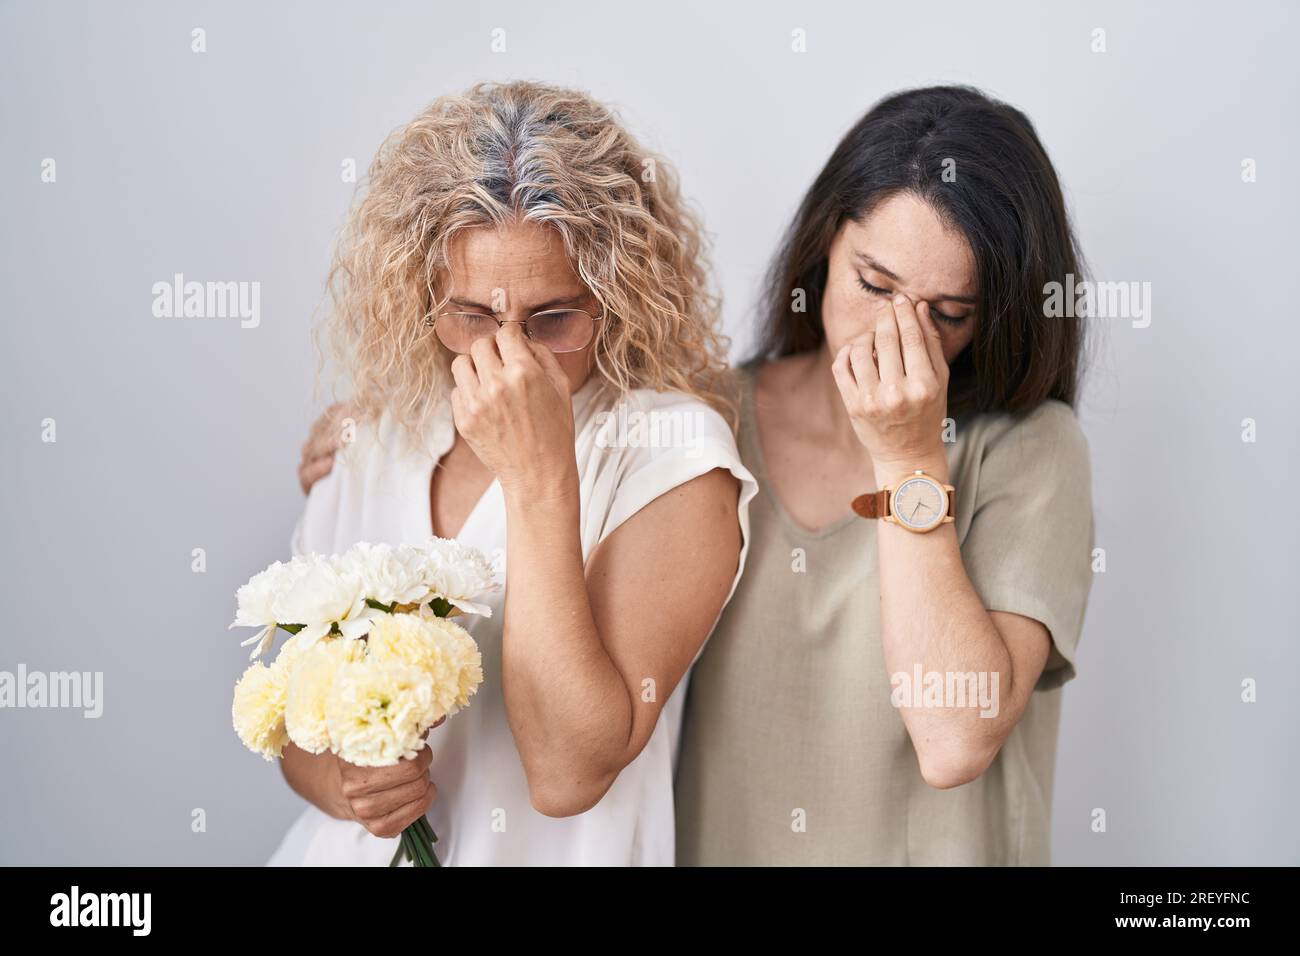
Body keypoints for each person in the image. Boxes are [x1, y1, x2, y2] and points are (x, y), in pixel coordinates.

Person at [300, 85, 1095, 867]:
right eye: (875, 284)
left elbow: (954, 740)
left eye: (946, 313)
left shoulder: (1030, 453)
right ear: (824, 250)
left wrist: (908, 455)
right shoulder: (714, 418)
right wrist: (374, 435)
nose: (895, 332)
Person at [271, 80, 756, 866]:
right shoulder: (378, 437)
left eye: (552, 319)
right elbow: (291, 728)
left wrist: (539, 478)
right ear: (423, 298)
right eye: (472, 315)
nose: (510, 356)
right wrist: (346, 783)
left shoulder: (674, 455)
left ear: (616, 297)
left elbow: (568, 773)